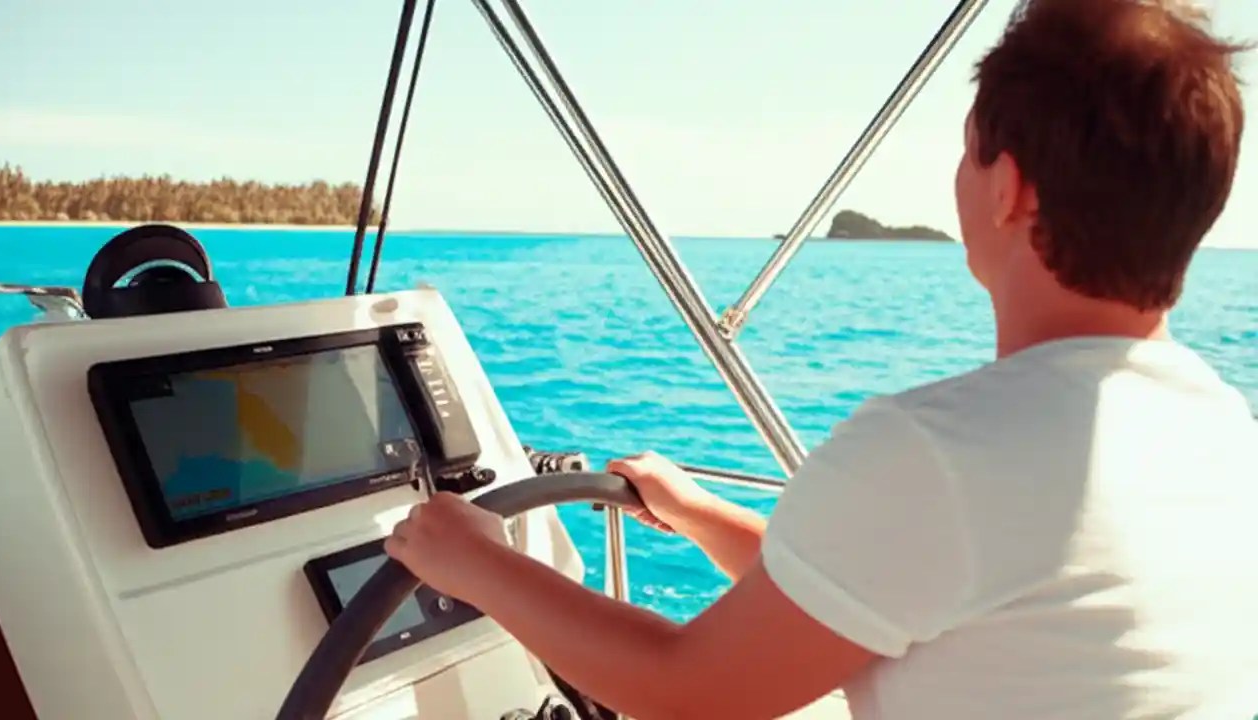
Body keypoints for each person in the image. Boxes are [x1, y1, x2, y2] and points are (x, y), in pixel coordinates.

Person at [386, 0, 1258, 717]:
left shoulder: (937, 453)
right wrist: (700, 513)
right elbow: (882, 588)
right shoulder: (1219, 429)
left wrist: (473, 558)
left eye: (968, 150)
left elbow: (685, 693)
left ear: (1008, 189)